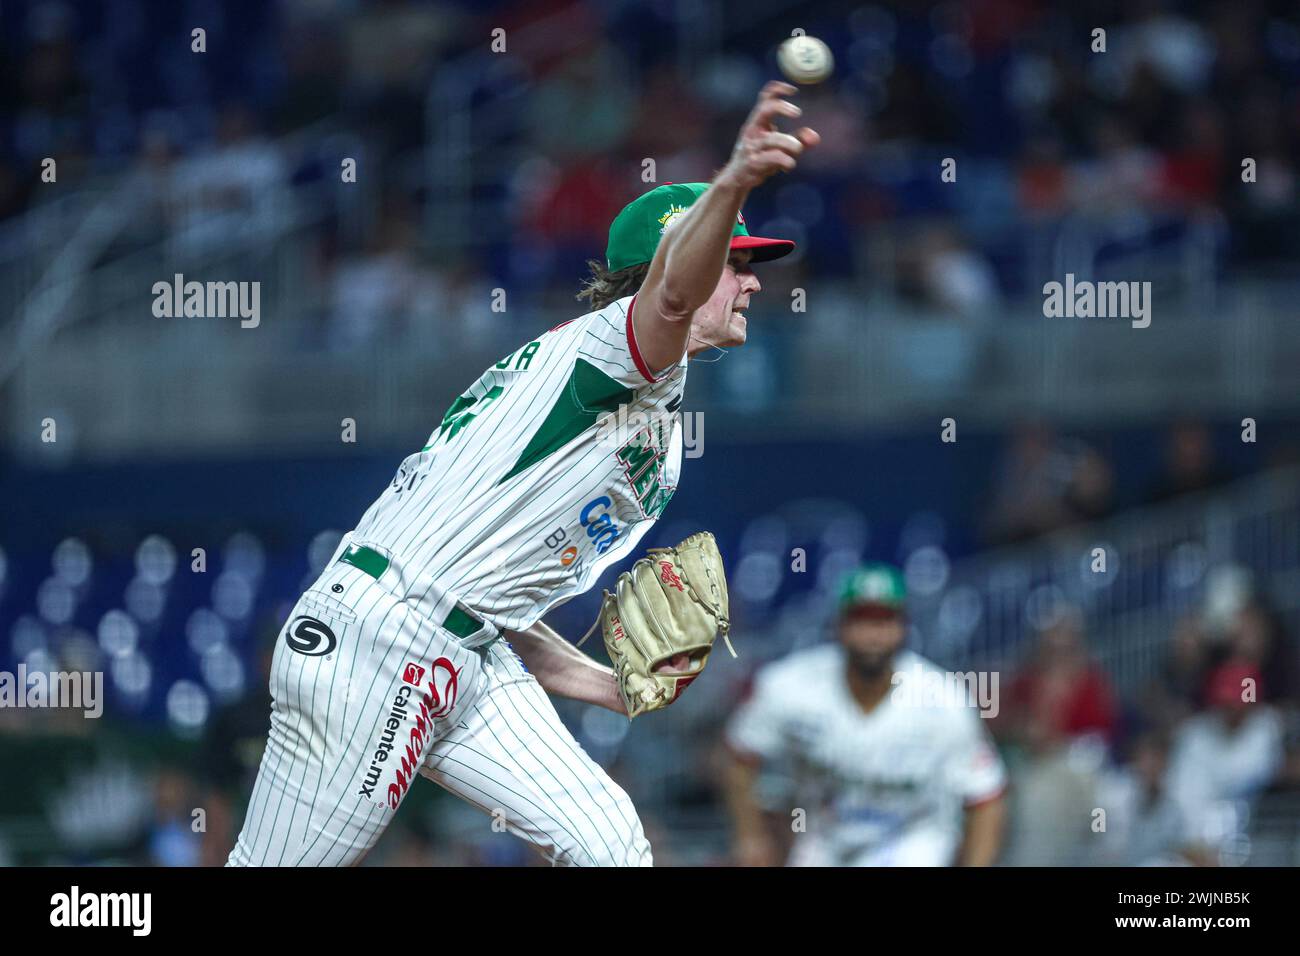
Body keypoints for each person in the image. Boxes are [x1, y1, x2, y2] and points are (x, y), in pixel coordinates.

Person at [226, 81, 820, 867]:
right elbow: (672, 295)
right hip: (379, 643)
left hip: (462, 648)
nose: (752, 280)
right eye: (734, 260)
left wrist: (608, 685)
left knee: (610, 844)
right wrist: (734, 178)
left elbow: (489, 597)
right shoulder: (612, 348)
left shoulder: (650, 418)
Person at [722, 564, 1007, 866]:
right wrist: (750, 838)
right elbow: (739, 756)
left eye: (884, 621)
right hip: (824, 837)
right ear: (839, 626)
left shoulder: (943, 700)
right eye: (862, 620)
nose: (873, 635)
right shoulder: (791, 686)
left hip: (912, 838)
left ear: (903, 627)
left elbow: (986, 795)